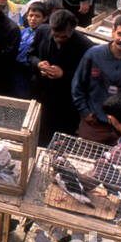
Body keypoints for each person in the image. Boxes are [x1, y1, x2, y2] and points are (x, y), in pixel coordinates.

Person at [71, 13, 121, 145]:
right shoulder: (93, 54)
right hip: (94, 124)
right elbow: (77, 86)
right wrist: (85, 112)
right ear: (113, 32)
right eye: (120, 34)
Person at [29, 8, 94, 142]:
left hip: (65, 103)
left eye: (64, 37)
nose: (59, 40)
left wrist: (64, 74)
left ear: (72, 31)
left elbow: (88, 78)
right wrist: (38, 64)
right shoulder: (42, 31)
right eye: (55, 35)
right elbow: (30, 55)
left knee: (60, 140)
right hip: (40, 94)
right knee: (36, 133)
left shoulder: (85, 47)